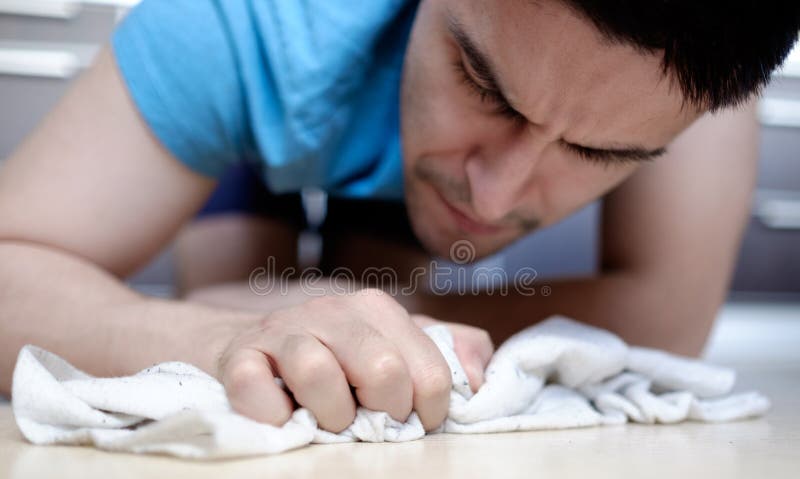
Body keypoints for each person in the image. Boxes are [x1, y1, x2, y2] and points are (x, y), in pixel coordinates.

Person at [0, 0, 797, 433]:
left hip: (396, 151)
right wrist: (217, 334)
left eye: (599, 151)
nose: (494, 201)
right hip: (273, 110)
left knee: (343, 334)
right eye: (481, 80)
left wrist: (370, 316)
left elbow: (667, 317)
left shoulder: (699, 65)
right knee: (244, 308)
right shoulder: (231, 25)